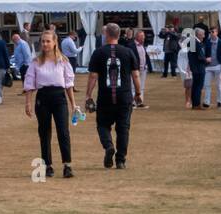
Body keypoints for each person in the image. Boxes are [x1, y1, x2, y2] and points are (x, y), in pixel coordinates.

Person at [85, 22, 141, 169]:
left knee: (103, 125)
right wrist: (139, 93)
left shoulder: (98, 52)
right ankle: (121, 160)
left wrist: (88, 95)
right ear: (118, 34)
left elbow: (93, 76)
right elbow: (135, 75)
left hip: (105, 96)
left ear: (106, 35)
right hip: (124, 96)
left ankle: (109, 146)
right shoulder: (128, 52)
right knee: (123, 128)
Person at [23, 30, 75, 177]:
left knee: (63, 132)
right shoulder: (36, 62)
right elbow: (29, 83)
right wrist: (28, 103)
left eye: (48, 41)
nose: (45, 44)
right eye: (43, 41)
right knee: (44, 133)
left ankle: (67, 165)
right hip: (43, 99)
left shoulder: (63, 61)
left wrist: (73, 105)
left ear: (54, 43)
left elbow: (69, 84)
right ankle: (48, 165)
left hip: (59, 98)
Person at [202, 25, 221, 107]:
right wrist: (205, 59)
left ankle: (220, 101)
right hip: (208, 67)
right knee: (207, 84)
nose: (211, 34)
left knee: (218, 85)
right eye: (210, 32)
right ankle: (207, 102)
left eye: (213, 32)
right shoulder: (207, 42)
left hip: (218, 66)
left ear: (217, 32)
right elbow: (203, 53)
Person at [187, 26, 207, 108]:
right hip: (198, 68)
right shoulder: (194, 42)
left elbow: (192, 56)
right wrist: (206, 60)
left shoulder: (192, 42)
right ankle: (197, 104)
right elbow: (198, 57)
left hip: (195, 68)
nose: (204, 36)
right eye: (203, 34)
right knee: (198, 86)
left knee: (195, 86)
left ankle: (195, 104)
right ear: (198, 34)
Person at [132, 30, 151, 106]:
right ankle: (133, 102)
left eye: (144, 36)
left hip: (143, 69)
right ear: (136, 37)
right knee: (133, 86)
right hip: (135, 69)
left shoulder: (143, 45)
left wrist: (147, 65)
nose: (144, 37)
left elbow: (145, 56)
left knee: (142, 86)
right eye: (142, 36)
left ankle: (140, 102)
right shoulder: (131, 46)